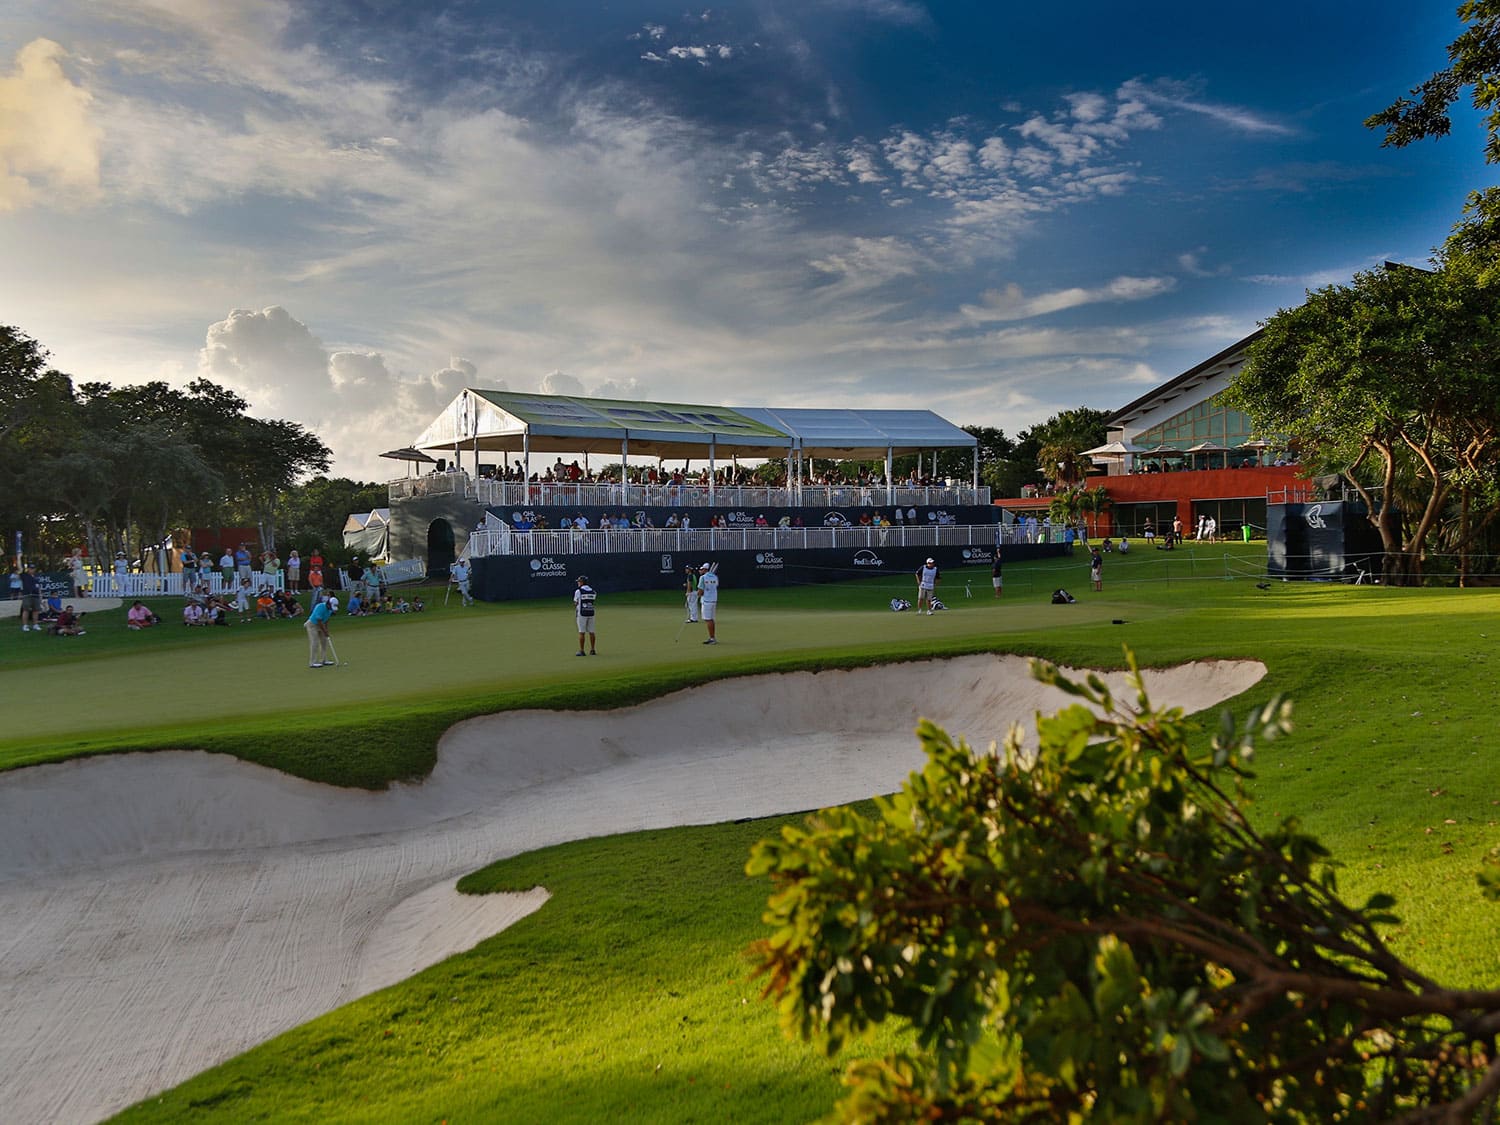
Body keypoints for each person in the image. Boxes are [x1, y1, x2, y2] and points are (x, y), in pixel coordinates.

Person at [305, 593, 336, 667]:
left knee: (324, 642)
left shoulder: (330, 609)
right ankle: (312, 662)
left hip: (321, 624)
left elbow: (327, 620)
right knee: (315, 642)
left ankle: (324, 660)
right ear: (328, 604)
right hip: (312, 625)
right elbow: (319, 621)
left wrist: (327, 630)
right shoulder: (320, 607)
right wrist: (324, 631)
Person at [574, 575, 598, 656]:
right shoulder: (593, 591)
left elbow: (575, 602)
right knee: (592, 632)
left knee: (582, 632)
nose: (578, 583)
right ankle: (592, 650)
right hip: (591, 612)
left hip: (582, 613)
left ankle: (582, 651)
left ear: (581, 582)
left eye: (579, 581)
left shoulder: (578, 591)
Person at [698, 563, 719, 644]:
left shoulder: (702, 578)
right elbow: (714, 586)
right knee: (711, 619)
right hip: (713, 600)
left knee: (708, 620)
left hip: (706, 601)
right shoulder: (715, 577)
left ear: (705, 570)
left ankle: (712, 638)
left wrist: (698, 594)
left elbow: (700, 591)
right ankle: (712, 637)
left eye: (702, 569)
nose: (701, 570)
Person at [18, 564, 40, 632]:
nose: (32, 569)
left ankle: (35, 625)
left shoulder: (36, 577)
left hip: (36, 595)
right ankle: (25, 625)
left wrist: (40, 596)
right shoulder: (24, 575)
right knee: (26, 610)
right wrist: (19, 556)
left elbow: (39, 587)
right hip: (27, 595)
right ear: (28, 569)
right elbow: (19, 567)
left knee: (36, 610)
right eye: (30, 568)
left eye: (33, 568)